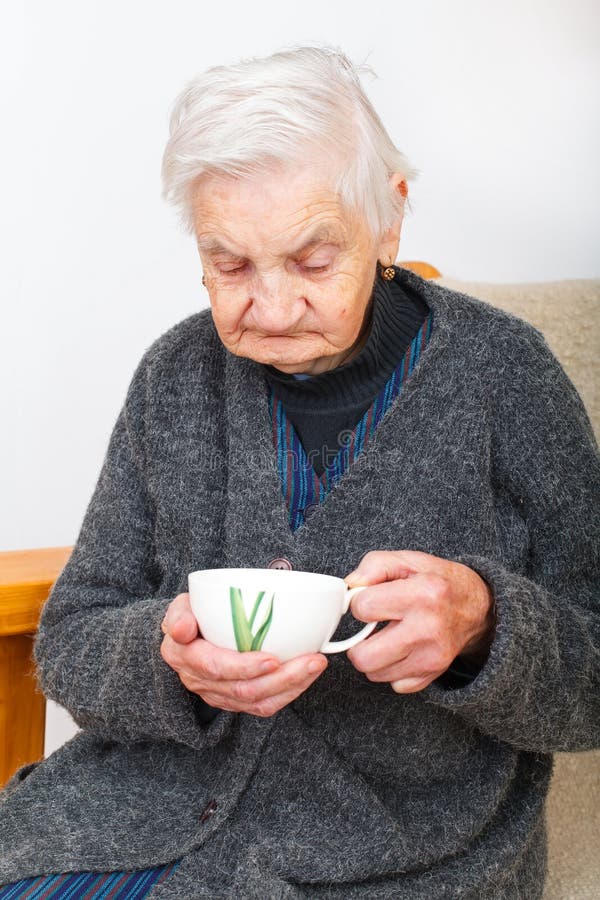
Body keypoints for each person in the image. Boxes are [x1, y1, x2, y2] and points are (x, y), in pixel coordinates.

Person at [0, 45, 598, 900]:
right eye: (231, 264)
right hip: (130, 822)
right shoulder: (176, 375)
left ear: (389, 220)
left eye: (314, 262)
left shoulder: (507, 376)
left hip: (402, 864)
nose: (271, 309)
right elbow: (72, 637)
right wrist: (170, 658)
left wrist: (485, 627)